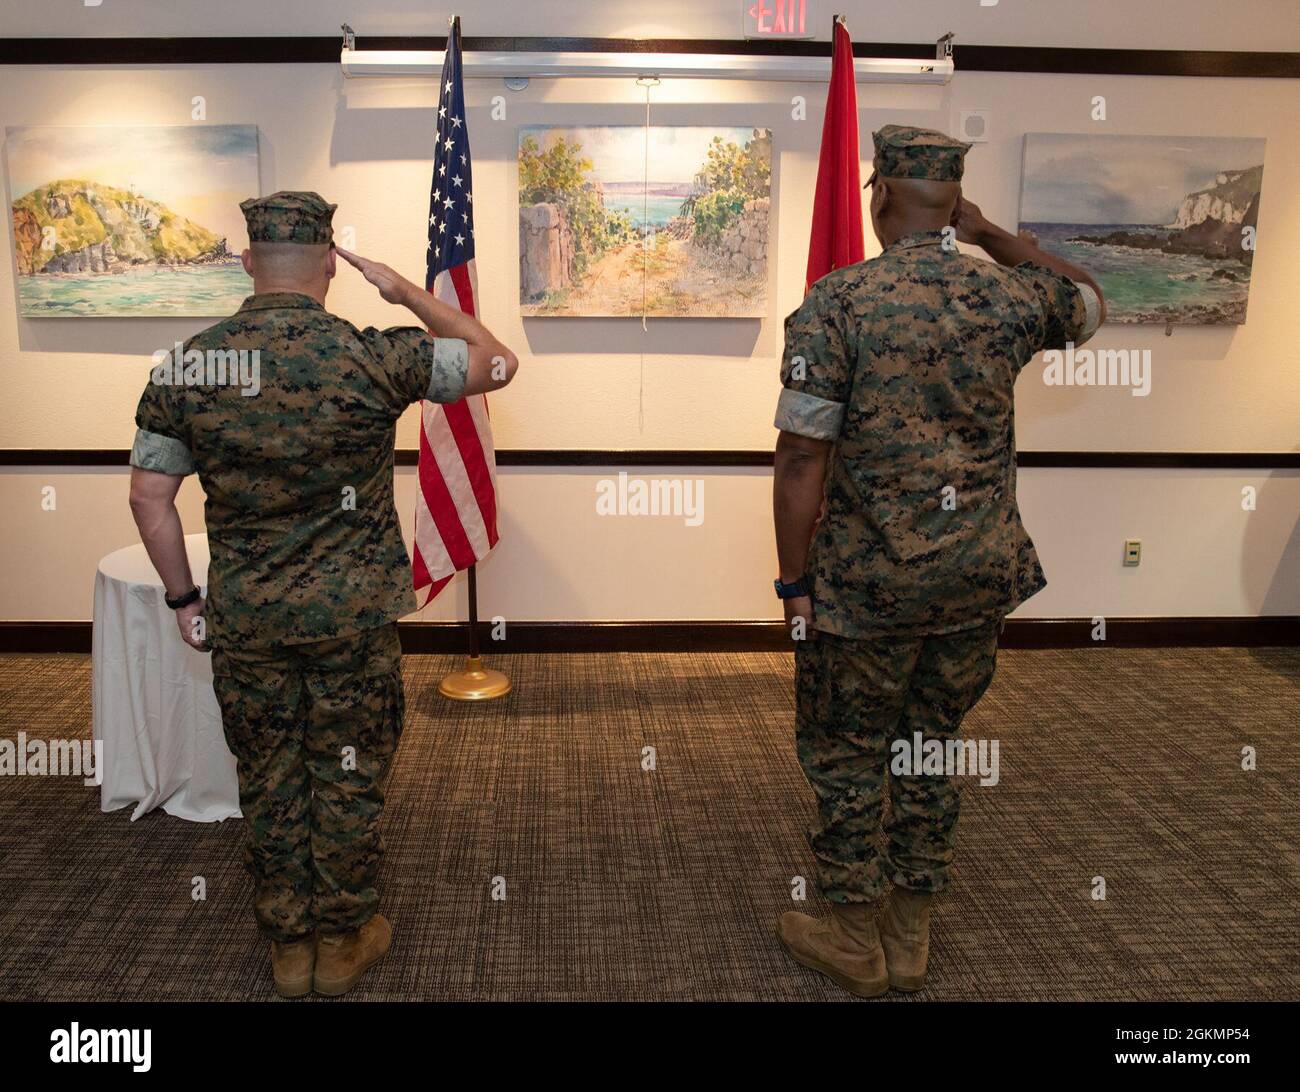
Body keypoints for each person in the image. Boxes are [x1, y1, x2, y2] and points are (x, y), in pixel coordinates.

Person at [127, 191, 518, 997]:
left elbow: (148, 497)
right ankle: (341, 939)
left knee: (268, 771)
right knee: (347, 769)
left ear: (246, 262)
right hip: (351, 618)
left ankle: (287, 941)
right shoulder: (374, 354)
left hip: (249, 619)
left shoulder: (189, 364)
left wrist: (181, 601)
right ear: (331, 265)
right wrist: (408, 292)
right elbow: (498, 360)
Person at [771, 126, 1105, 997]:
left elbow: (802, 457)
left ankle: (853, 934)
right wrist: (992, 236)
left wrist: (794, 584)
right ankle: (910, 930)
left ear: (879, 196)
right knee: (932, 742)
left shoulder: (837, 303)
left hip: (866, 588)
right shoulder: (1008, 299)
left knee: (847, 753)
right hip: (973, 581)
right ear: (955, 203)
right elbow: (1093, 300)